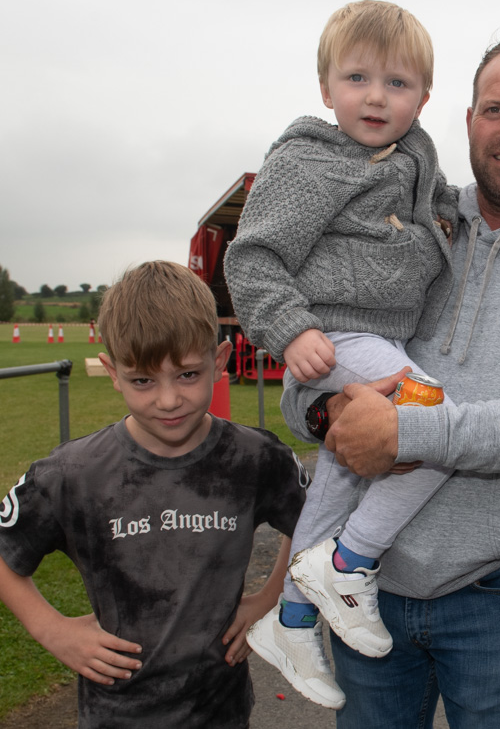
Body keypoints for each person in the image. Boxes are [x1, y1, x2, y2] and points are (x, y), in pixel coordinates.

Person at [281, 35, 500, 728]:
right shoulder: (413, 224)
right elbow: (318, 370)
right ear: (468, 117)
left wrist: (404, 432)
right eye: (494, 109)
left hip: (497, 594)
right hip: (364, 589)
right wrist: (329, 417)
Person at [223, 0, 458, 711]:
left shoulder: (416, 154)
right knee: (438, 424)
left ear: (422, 96)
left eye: (396, 83)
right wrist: (291, 330)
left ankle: (292, 619)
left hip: (386, 340)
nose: (376, 97)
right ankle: (349, 562)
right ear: (326, 88)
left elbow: (443, 204)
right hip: (336, 335)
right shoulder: (308, 162)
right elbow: (253, 257)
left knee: (342, 470)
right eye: (357, 78)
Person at [0, 261, 307, 728]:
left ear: (219, 361)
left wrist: (269, 598)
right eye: (143, 380)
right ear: (113, 372)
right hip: (115, 716)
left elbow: (313, 520)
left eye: (187, 374)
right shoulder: (72, 474)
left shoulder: (256, 457)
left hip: (221, 710)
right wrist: (52, 630)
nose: (168, 400)